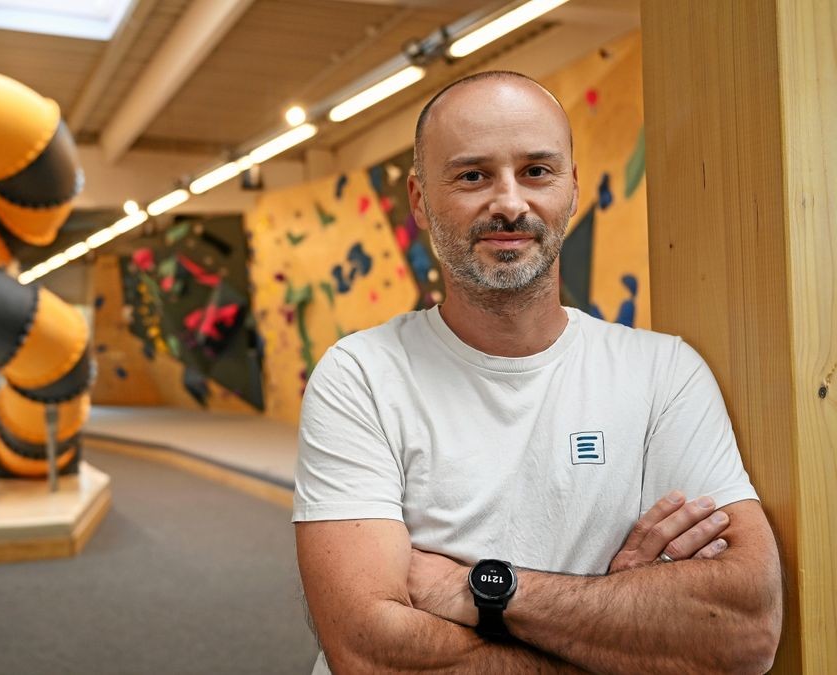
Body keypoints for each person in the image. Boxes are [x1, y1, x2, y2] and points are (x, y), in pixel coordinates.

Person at [293, 71, 782, 674]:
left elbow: (744, 629)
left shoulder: (664, 373)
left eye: (536, 171)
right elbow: (370, 651)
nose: (510, 203)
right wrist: (616, 631)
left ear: (572, 188)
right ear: (420, 200)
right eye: (473, 175)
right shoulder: (360, 375)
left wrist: (476, 591)